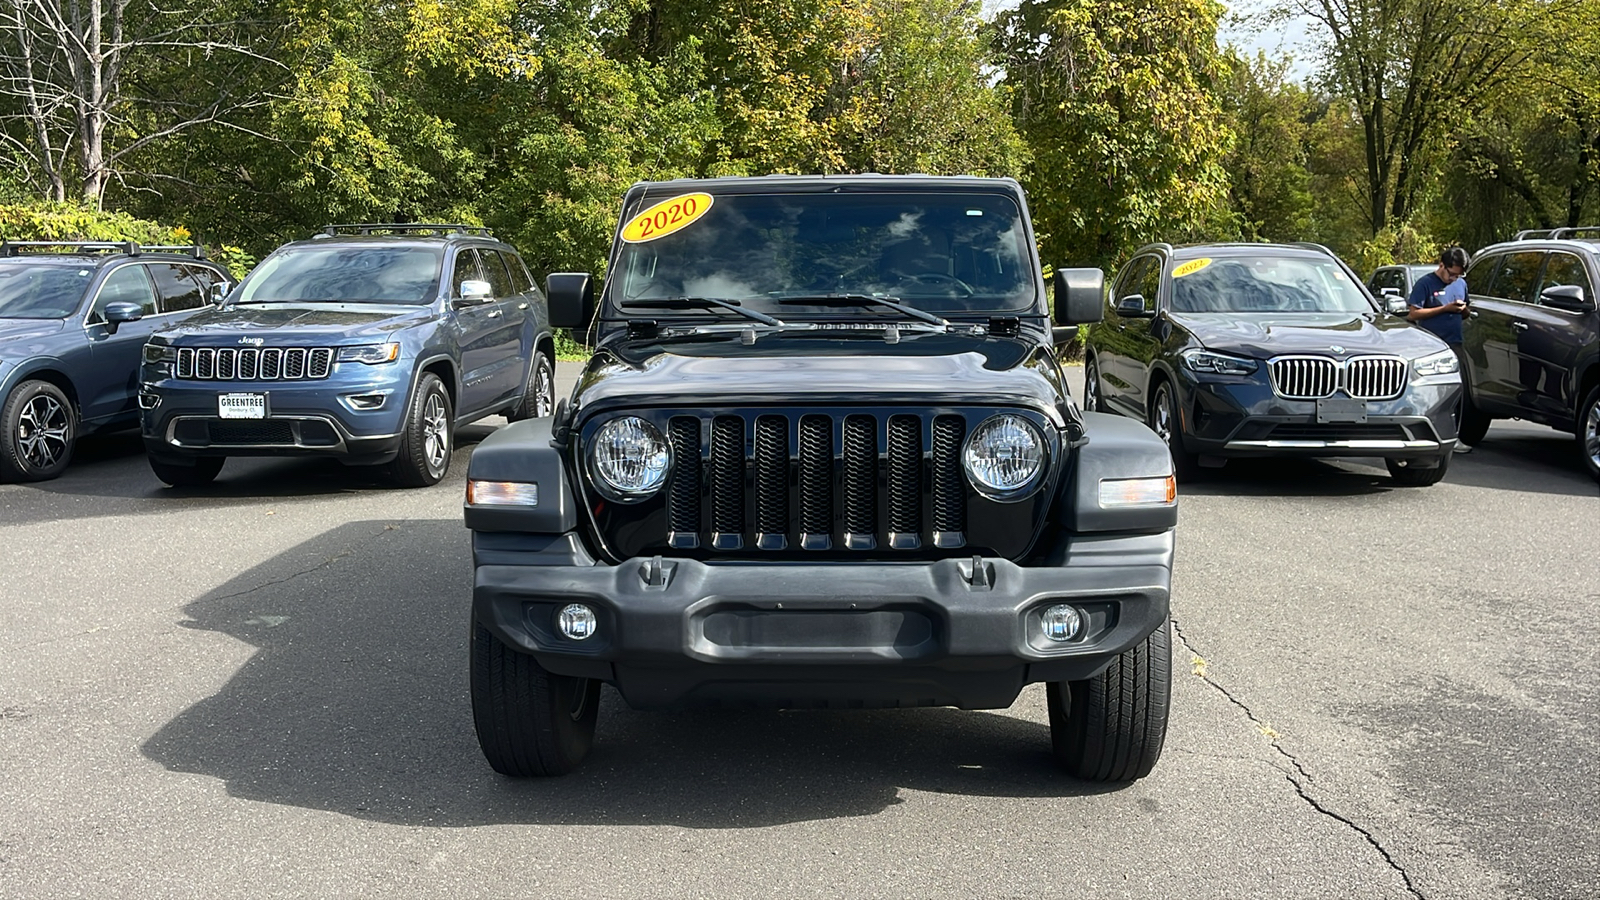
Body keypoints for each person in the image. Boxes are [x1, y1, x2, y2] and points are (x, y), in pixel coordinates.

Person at [1405, 246, 1473, 452]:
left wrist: (1463, 309)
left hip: (1455, 343)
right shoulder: (1425, 284)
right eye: (1451, 274)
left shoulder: (1461, 284)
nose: (1453, 279)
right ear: (1441, 265)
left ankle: (1454, 436)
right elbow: (1413, 314)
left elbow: (1467, 311)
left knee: (1457, 393)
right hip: (1430, 346)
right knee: (1432, 393)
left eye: (1458, 275)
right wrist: (1444, 308)